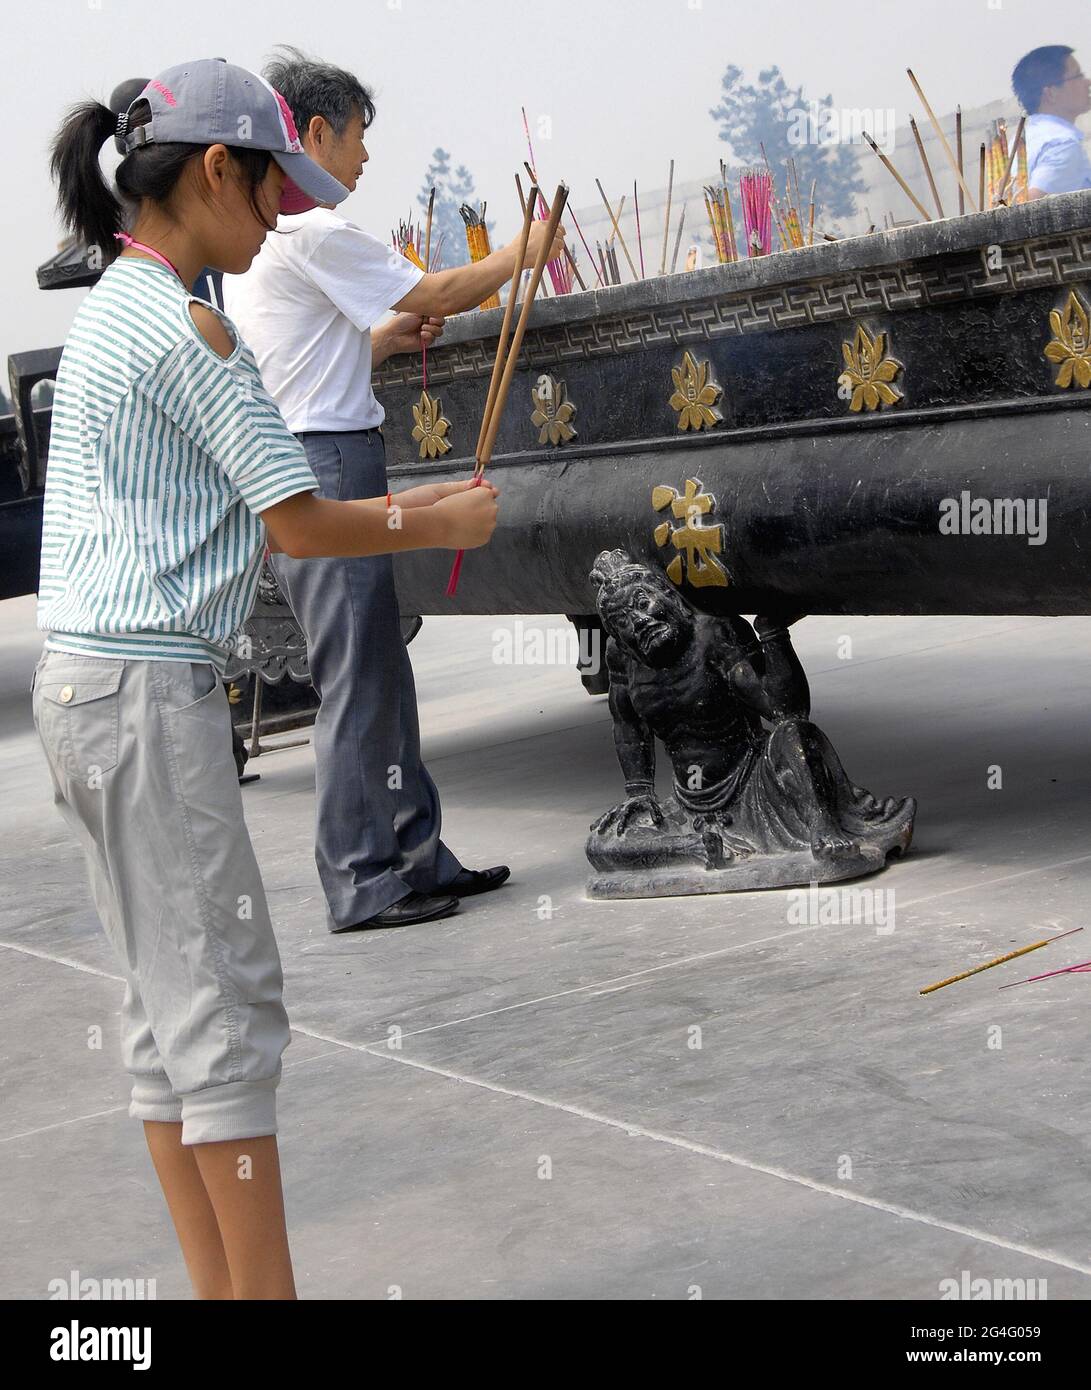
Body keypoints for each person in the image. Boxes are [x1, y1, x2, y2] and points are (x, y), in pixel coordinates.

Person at [37, 58, 497, 1299]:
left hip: (79, 696)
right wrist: (440, 523)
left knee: (161, 1022)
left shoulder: (113, 309)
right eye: (271, 192)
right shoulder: (194, 329)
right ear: (214, 171)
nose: (286, 218)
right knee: (226, 1022)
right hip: (146, 699)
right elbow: (299, 521)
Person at [225, 49, 565, 932]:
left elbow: (304, 366)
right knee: (357, 682)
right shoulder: (308, 232)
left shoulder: (266, 247)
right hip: (325, 464)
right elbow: (436, 284)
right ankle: (362, 879)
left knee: (379, 673)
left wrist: (381, 337)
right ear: (312, 133)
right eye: (358, 138)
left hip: (321, 450)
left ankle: (416, 855)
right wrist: (521, 254)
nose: (364, 159)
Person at [1012, 45, 1091, 197]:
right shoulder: (1062, 146)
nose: (1088, 82)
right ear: (1051, 93)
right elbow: (1031, 208)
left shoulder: (1019, 142)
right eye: (1078, 76)